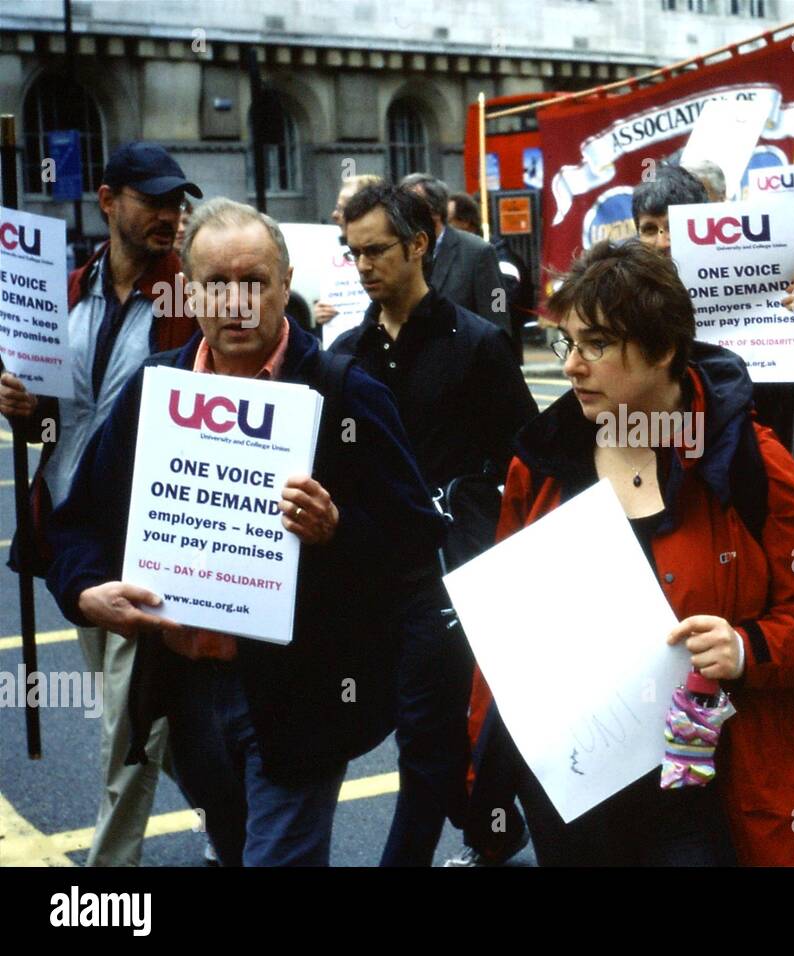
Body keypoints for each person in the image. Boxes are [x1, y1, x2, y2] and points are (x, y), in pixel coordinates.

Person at [44, 198, 444, 866]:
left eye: (254, 282)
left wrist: (337, 529)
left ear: (285, 285)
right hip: (185, 694)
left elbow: (415, 545)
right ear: (189, 290)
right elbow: (76, 523)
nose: (236, 303)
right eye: (217, 284)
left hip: (301, 698)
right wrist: (84, 593)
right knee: (233, 852)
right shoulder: (155, 391)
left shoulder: (343, 391)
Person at [470, 239, 794, 865]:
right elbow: (503, 644)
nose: (571, 365)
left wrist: (745, 646)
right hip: (572, 793)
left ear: (664, 350)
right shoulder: (540, 468)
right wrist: (482, 776)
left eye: (596, 344)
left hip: (700, 793)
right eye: (566, 342)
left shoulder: (750, 463)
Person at [1, 142, 201, 867]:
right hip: (71, 537)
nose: (171, 217)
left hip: (145, 538)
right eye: (154, 201)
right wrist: (20, 409)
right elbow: (51, 421)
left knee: (127, 727)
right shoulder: (65, 293)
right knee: (147, 720)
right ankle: (237, 801)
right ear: (109, 200)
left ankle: (107, 878)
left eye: (180, 203)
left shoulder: (187, 296)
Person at [330, 183, 538, 867]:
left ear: (419, 245)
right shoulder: (347, 351)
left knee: (421, 729)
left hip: (448, 572)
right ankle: (497, 828)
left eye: (376, 250)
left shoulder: (475, 344)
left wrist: (480, 521)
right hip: (368, 571)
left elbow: (525, 452)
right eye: (352, 252)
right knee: (427, 730)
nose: (362, 266)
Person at [631, 163, 794, 449]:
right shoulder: (630, 309)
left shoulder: (756, 288)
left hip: (755, 466)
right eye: (650, 229)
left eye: (673, 227)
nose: (662, 242)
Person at [399, 173, 509, 336]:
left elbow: (496, 316)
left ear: (434, 211)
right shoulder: (399, 252)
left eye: (410, 207)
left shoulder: (477, 252)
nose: (402, 214)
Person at [448, 190, 533, 362]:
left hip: (490, 345)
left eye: (448, 222)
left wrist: (493, 323)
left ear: (465, 222)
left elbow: (502, 296)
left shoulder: (496, 254)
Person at [314, 174, 384, 331]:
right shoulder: (334, 253)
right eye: (355, 254)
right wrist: (322, 315)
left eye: (342, 209)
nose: (334, 215)